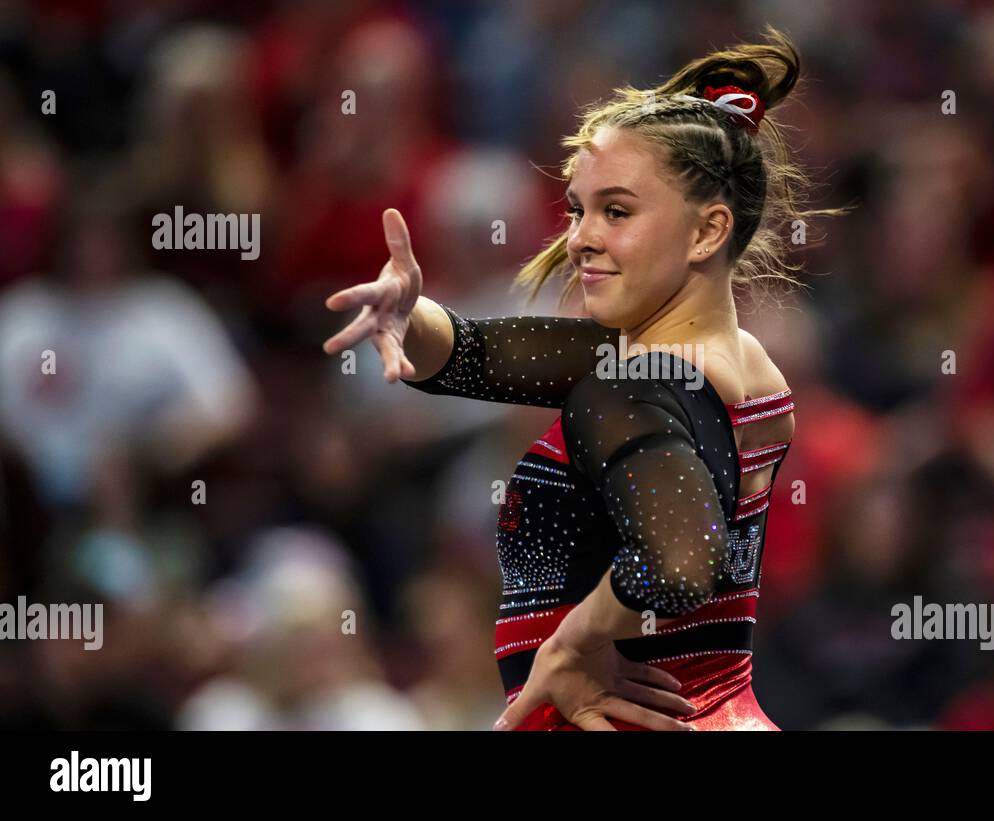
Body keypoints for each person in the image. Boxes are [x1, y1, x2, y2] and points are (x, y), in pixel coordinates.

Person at [323, 26, 844, 730]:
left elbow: (684, 560)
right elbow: (478, 353)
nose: (580, 238)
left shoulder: (638, 385)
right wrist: (408, 312)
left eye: (617, 211)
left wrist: (572, 641)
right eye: (577, 209)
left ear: (706, 232)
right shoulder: (742, 363)